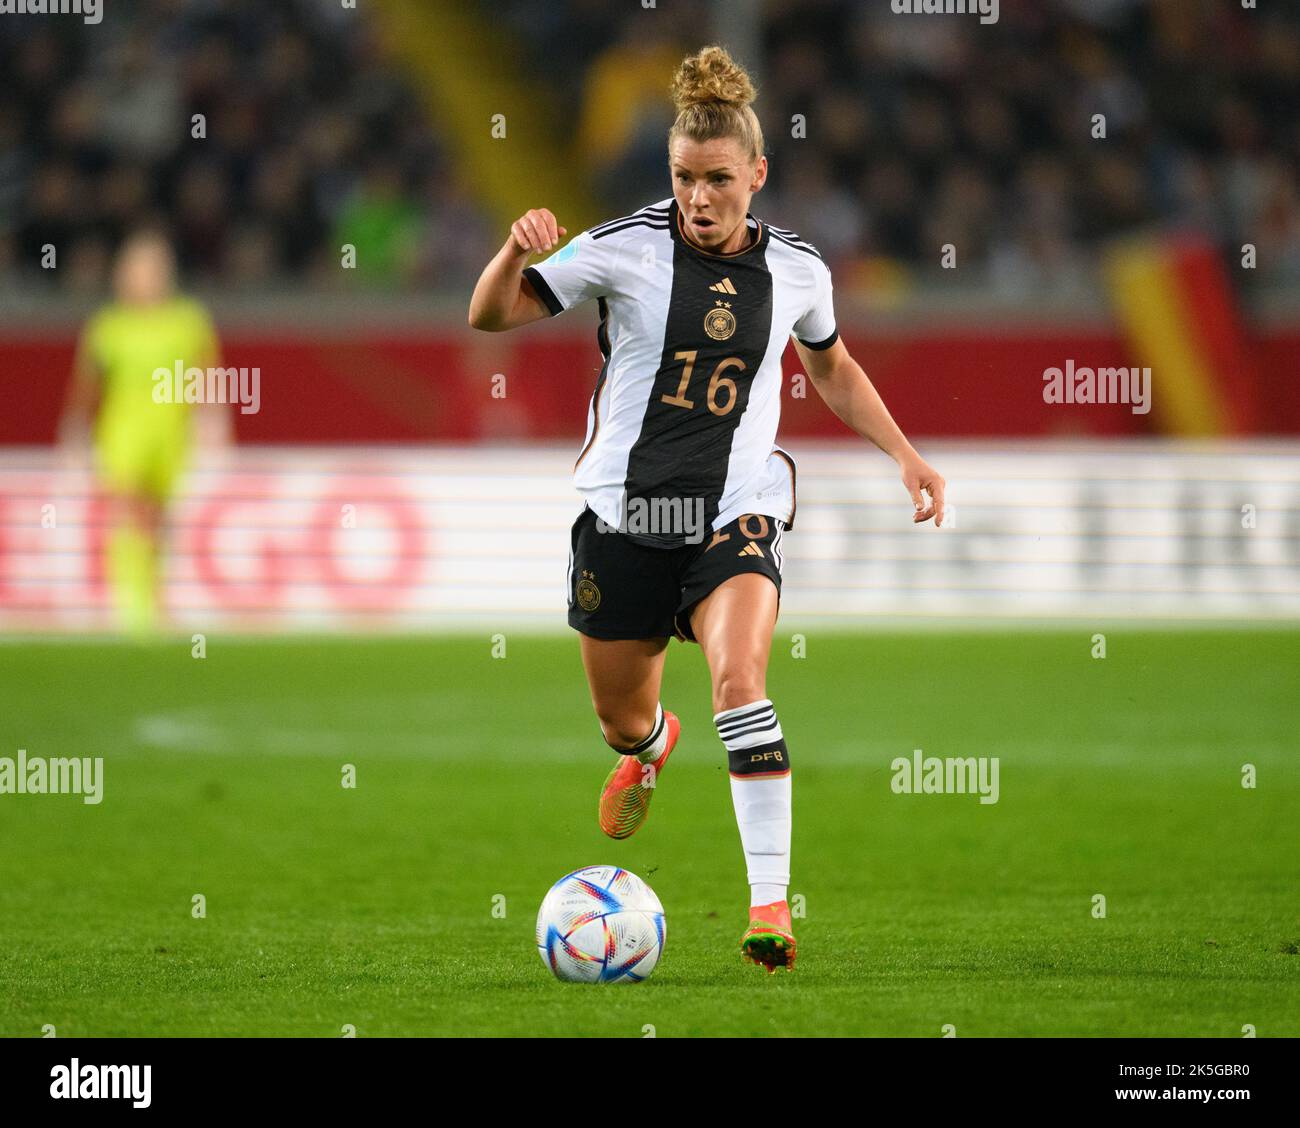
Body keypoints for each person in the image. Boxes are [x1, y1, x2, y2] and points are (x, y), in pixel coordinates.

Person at [468, 45, 945, 973]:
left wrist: (907, 454)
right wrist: (512, 252)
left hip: (737, 513)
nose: (699, 197)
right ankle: (649, 750)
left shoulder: (800, 273)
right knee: (619, 718)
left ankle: (771, 908)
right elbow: (491, 315)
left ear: (757, 175)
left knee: (741, 686)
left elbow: (832, 367)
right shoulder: (621, 248)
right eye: (685, 178)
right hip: (623, 523)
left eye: (718, 180)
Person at [60, 228, 228, 635]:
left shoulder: (188, 320)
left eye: (155, 268)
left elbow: (210, 375)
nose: (147, 277)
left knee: (158, 517)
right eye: (139, 268)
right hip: (123, 432)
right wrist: (74, 430)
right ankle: (132, 609)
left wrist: (215, 421)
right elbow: (87, 385)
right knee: (128, 510)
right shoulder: (109, 326)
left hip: (171, 432)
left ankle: (153, 600)